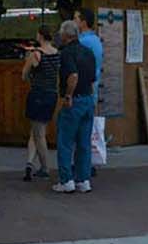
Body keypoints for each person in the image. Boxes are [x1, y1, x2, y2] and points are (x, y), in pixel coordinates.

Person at [53, 20, 98, 194]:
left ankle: (66, 180)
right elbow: (93, 79)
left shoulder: (66, 53)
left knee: (65, 141)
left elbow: (72, 75)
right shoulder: (88, 52)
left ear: (65, 35)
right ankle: (83, 179)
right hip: (87, 98)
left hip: (74, 100)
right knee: (84, 142)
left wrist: (68, 96)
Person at [20, 24, 60, 181]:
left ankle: (44, 167)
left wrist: (31, 76)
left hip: (37, 94)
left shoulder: (36, 54)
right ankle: (30, 162)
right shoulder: (57, 54)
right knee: (37, 130)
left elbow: (24, 74)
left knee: (39, 134)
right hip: (51, 94)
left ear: (40, 36)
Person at [76, 8, 107, 169]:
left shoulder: (83, 42)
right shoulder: (95, 40)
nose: (74, 22)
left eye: (76, 19)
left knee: (80, 130)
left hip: (83, 89)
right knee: (88, 128)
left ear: (83, 22)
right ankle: (88, 163)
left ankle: (84, 164)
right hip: (92, 88)